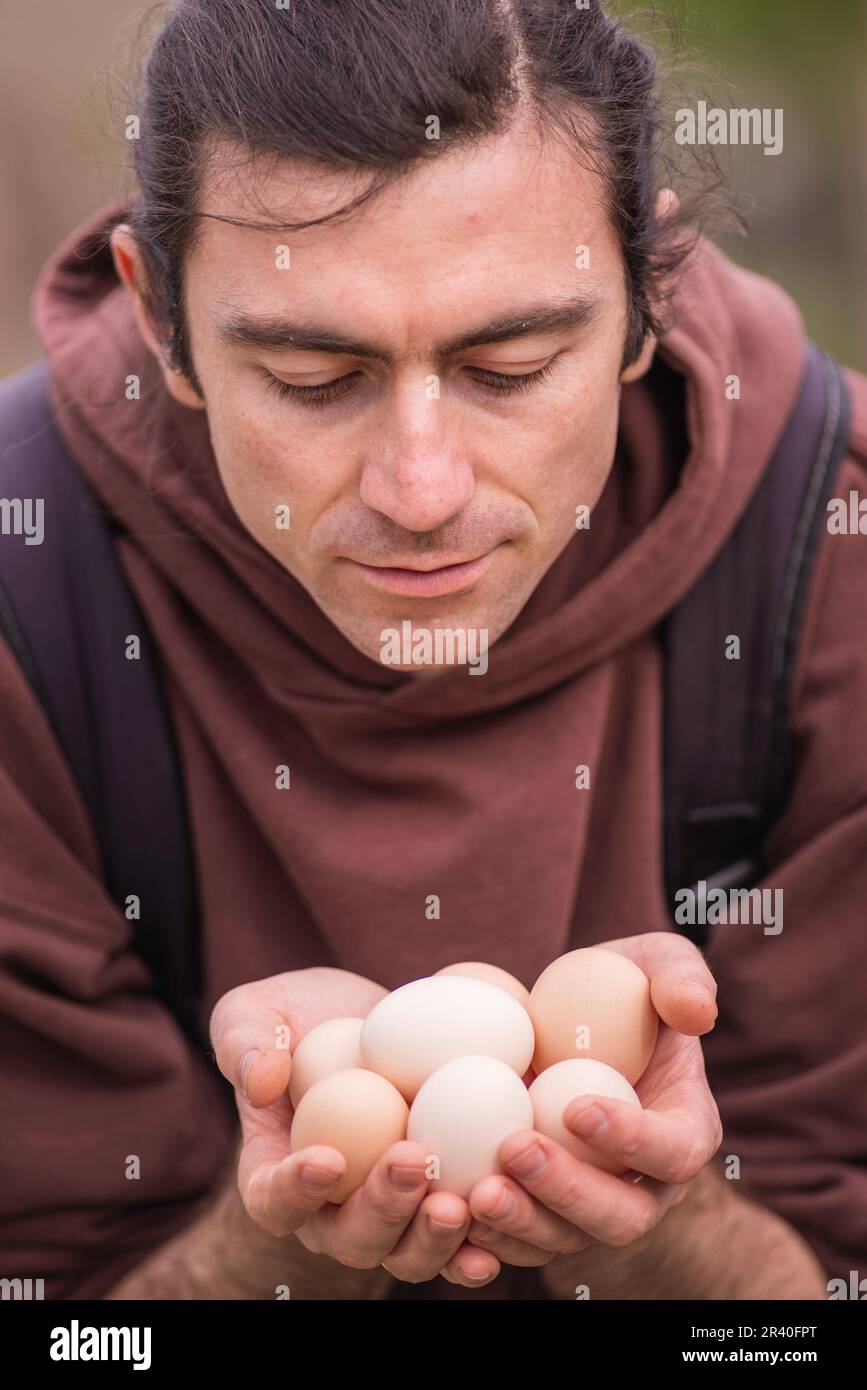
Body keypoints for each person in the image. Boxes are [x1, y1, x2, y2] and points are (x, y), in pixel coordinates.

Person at [1, 0, 865, 1302]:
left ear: (644, 299)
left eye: (511, 364)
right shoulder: (28, 596)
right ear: (162, 323)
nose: (419, 487)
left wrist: (678, 1231)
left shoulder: (834, 547)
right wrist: (267, 1249)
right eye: (310, 378)